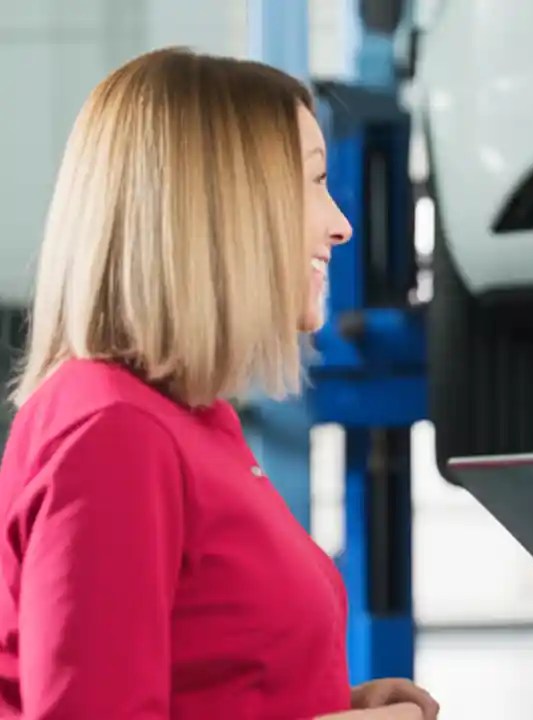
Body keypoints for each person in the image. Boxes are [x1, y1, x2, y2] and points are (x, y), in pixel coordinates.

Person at [0, 48, 439, 720]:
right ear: (221, 209)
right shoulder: (116, 435)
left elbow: (195, 672)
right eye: (312, 182)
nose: (340, 224)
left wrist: (325, 700)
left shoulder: (185, 419)